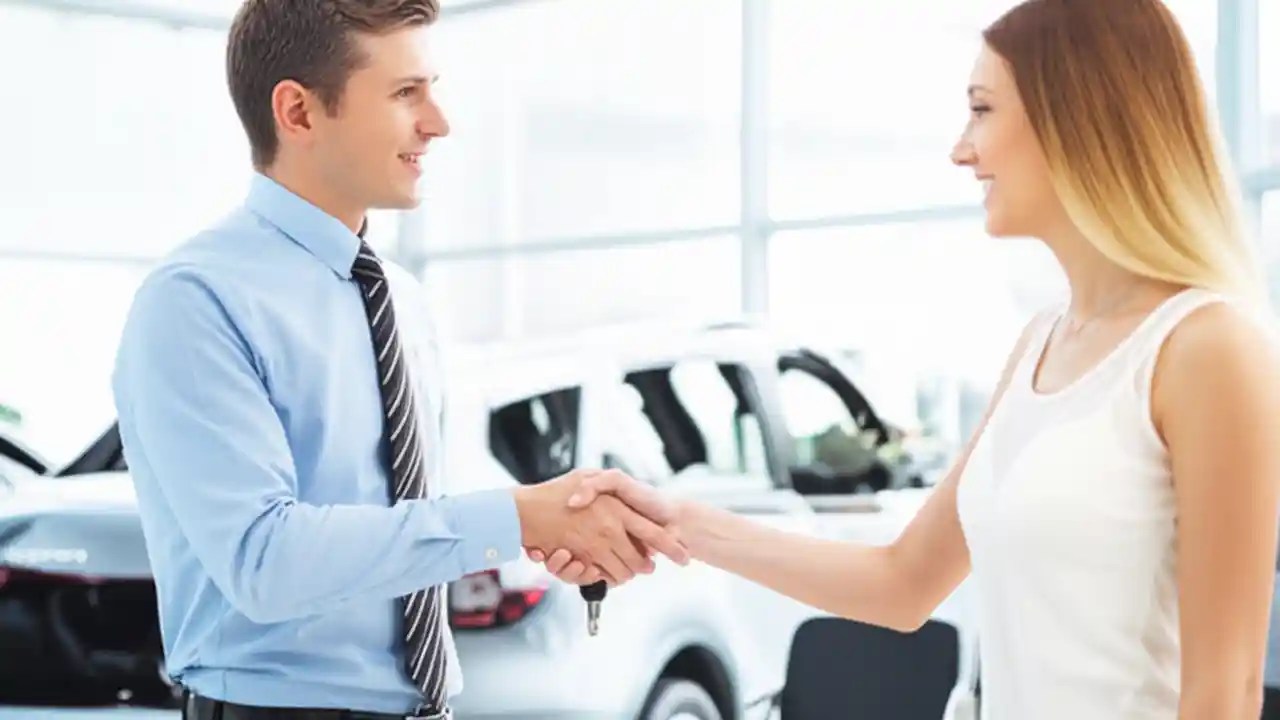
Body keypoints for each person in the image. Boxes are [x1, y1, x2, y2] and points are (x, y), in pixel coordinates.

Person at [531, 0, 1280, 717]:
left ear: (1076, 115)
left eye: (982, 109)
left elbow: (1224, 694)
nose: (961, 147)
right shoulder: (1041, 344)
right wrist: (679, 524)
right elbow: (903, 583)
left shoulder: (1208, 350)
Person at [110, 2, 686, 719]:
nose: (438, 122)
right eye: (405, 93)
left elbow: (407, 520)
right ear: (298, 112)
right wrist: (517, 517)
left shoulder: (401, 301)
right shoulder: (196, 300)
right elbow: (264, 560)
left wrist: (550, 529)